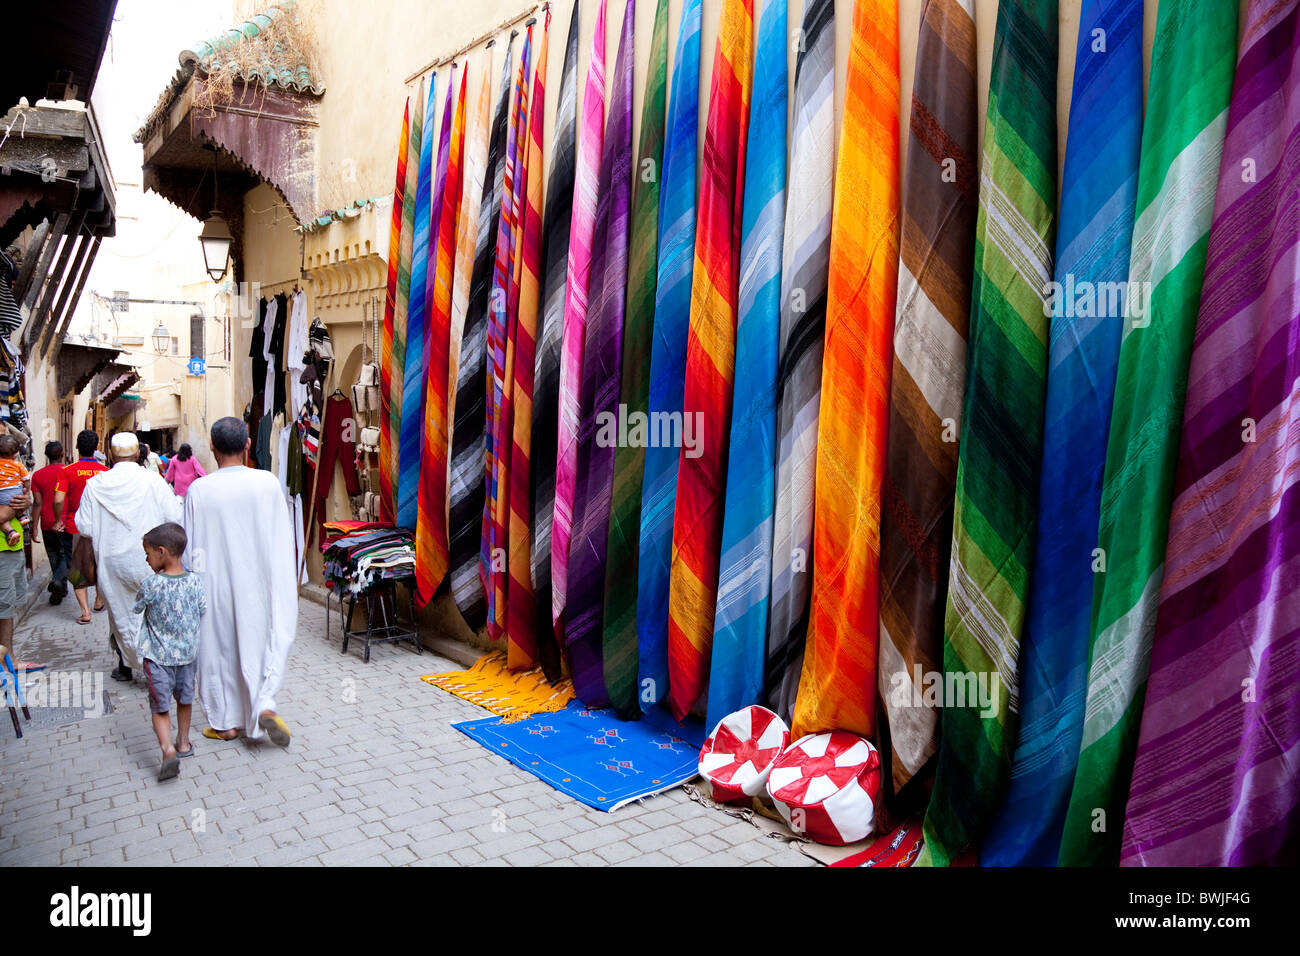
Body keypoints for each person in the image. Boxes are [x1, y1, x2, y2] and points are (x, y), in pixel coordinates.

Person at [185, 417, 295, 745]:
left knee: (218, 650)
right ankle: (263, 704)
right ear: (248, 445)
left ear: (212, 447)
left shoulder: (199, 489)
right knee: (262, 640)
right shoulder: (266, 482)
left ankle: (225, 723)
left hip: (213, 582)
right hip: (261, 580)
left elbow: (191, 547)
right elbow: (279, 533)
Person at [74, 432, 182, 682]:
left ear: (111, 455)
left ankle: (127, 664)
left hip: (111, 559)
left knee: (121, 614)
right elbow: (173, 516)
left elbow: (84, 526)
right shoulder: (153, 481)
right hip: (150, 558)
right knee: (155, 613)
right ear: (137, 454)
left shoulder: (96, 484)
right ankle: (158, 666)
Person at [134, 522, 206, 781]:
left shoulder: (151, 584)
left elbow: (137, 607)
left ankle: (167, 750)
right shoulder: (195, 582)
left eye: (148, 553)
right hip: (188, 656)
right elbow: (202, 610)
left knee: (160, 706)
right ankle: (184, 743)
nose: (146, 559)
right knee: (185, 699)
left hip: (158, 659)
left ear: (162, 552)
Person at [53, 429, 108, 624]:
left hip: (74, 527)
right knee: (101, 564)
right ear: (96, 448)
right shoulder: (105, 472)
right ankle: (99, 601)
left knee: (76, 569)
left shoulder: (66, 471)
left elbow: (59, 499)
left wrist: (59, 519)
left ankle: (85, 612)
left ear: (77, 446)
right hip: (100, 528)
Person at [30, 440, 71, 604]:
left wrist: (33, 527)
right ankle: (58, 582)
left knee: (53, 555)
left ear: (46, 456)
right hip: (66, 521)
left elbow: (37, 503)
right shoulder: (68, 471)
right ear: (62, 455)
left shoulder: (38, 475)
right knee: (66, 556)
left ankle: (61, 588)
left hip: (47, 522)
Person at [0, 488, 36, 670]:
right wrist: (19, 506)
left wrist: (25, 502)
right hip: (2, 550)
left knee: (7, 607)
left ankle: (8, 659)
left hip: (11, 546)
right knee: (3, 607)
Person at [0, 434, 30, 547]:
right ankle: (21, 516)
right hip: (16, 491)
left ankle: (10, 531)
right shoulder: (18, 465)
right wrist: (26, 491)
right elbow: (26, 480)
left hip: (9, 550)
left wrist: (26, 500)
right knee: (16, 501)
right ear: (15, 454)